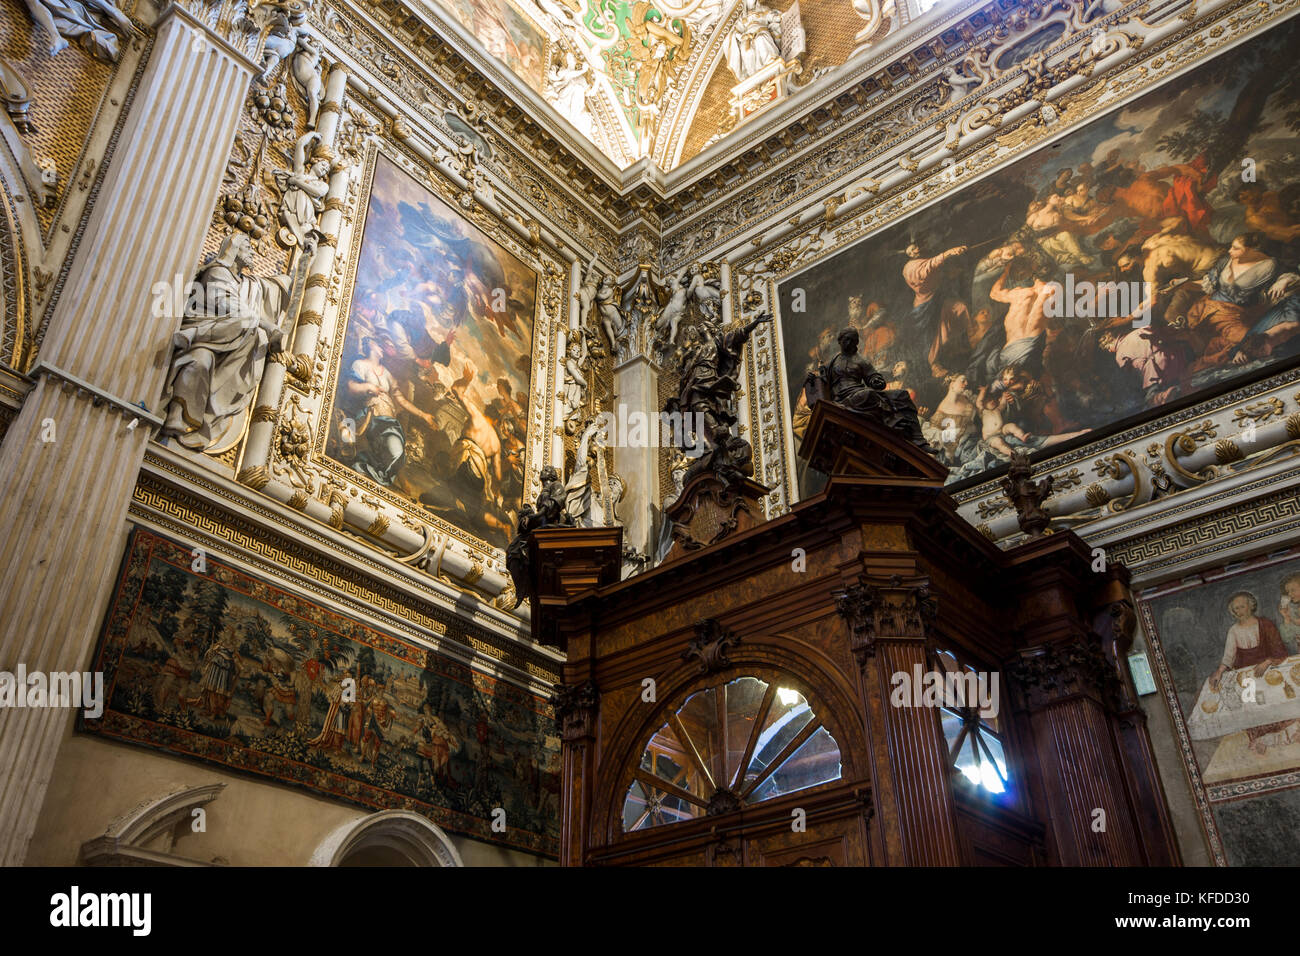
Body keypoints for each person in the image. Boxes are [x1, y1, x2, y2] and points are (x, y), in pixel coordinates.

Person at [1208, 591, 1293, 754]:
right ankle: (1260, 740)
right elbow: (1229, 656)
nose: (1239, 611)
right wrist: (1219, 671)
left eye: (1242, 606)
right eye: (1236, 609)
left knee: (1277, 698)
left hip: (1270, 671)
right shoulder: (1233, 630)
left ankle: (1283, 738)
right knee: (1250, 704)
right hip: (1248, 676)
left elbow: (1279, 650)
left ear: (1250, 606)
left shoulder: (1265, 624)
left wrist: (1266, 662)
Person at [346, 337, 439, 486]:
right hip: (370, 417)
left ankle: (375, 474)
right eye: (380, 346)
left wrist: (424, 415)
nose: (383, 349)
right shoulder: (360, 364)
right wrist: (368, 387)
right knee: (378, 452)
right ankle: (367, 474)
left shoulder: (387, 374)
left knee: (397, 454)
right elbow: (351, 387)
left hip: (389, 423)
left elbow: (401, 400)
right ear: (371, 344)